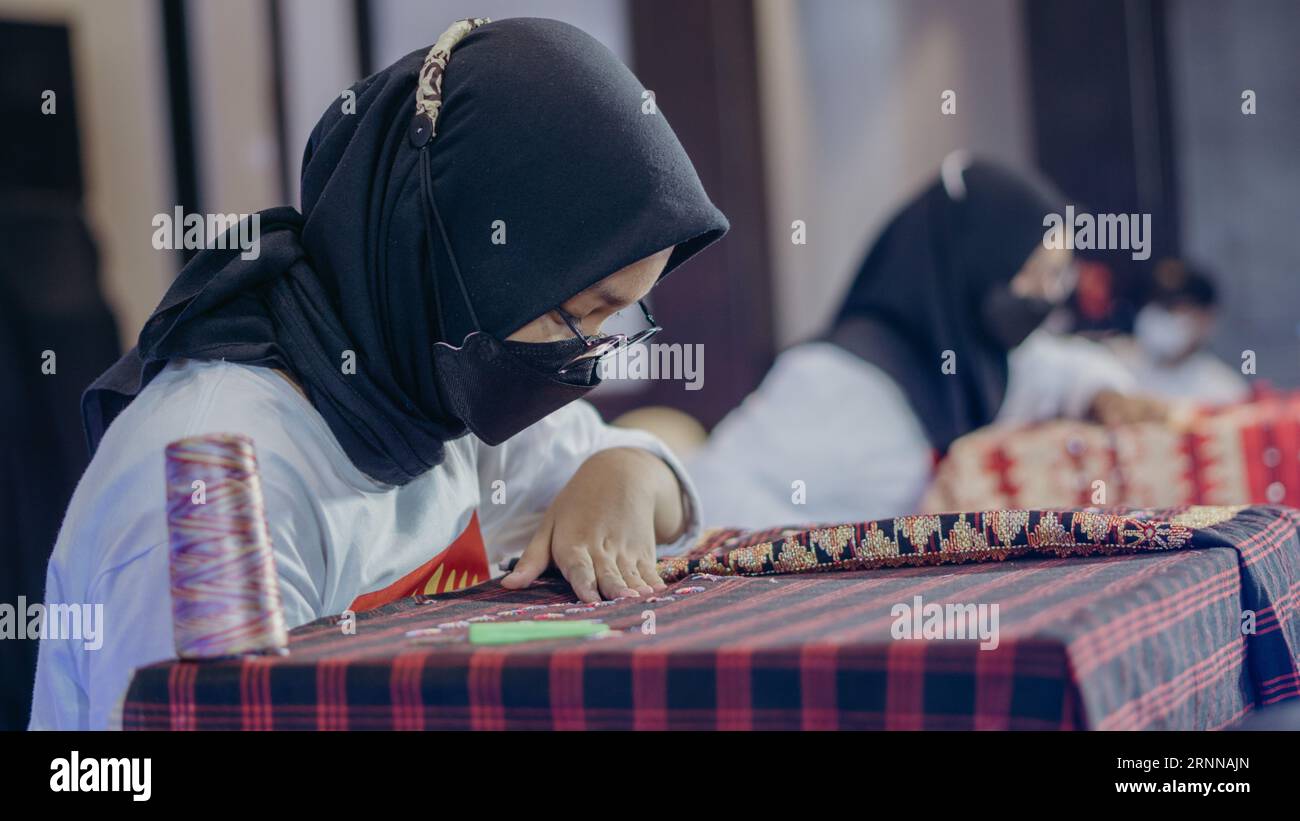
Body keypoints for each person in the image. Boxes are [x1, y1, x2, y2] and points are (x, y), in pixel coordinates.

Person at [29, 17, 727, 730]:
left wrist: (624, 473)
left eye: (617, 321)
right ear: (459, 264)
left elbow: (658, 482)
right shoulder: (215, 483)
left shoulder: (439, 386)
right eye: (578, 315)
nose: (585, 358)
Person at [687, 156, 1158, 529]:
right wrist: (836, 558)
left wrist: (1104, 392)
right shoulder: (834, 378)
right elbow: (712, 491)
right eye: (1033, 278)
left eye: (1056, 278)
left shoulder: (975, 363)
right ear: (973, 269)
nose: (1047, 300)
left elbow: (1059, 368)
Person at [1110, 258, 1249, 405]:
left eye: (1175, 308)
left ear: (1206, 319)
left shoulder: (1225, 392)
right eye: (1158, 305)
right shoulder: (1116, 374)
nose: (1162, 317)